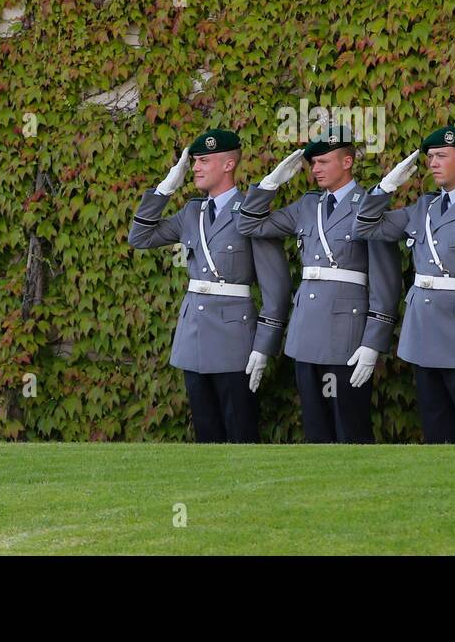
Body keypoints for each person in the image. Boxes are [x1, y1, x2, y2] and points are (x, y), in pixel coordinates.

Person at [353, 125, 455, 443]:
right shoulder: (424, 208)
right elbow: (366, 228)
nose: (433, 163)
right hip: (424, 336)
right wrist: (386, 186)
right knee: (436, 436)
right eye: (430, 157)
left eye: (442, 156)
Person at [237, 126, 402, 443]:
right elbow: (249, 224)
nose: (316, 169)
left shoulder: (368, 206)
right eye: (313, 164)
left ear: (347, 162)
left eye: (324, 162)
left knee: (349, 428)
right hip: (306, 331)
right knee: (315, 428)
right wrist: (270, 184)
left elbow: (386, 283)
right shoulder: (307, 206)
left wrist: (372, 343)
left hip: (347, 335)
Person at [129, 128, 290, 442]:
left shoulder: (250, 213)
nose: (195, 168)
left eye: (203, 161)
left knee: (240, 433)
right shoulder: (193, 211)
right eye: (194, 162)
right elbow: (140, 238)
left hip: (235, 339)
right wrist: (164, 190)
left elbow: (277, 289)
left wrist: (264, 346)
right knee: (206, 435)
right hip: (194, 336)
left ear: (228, 165)